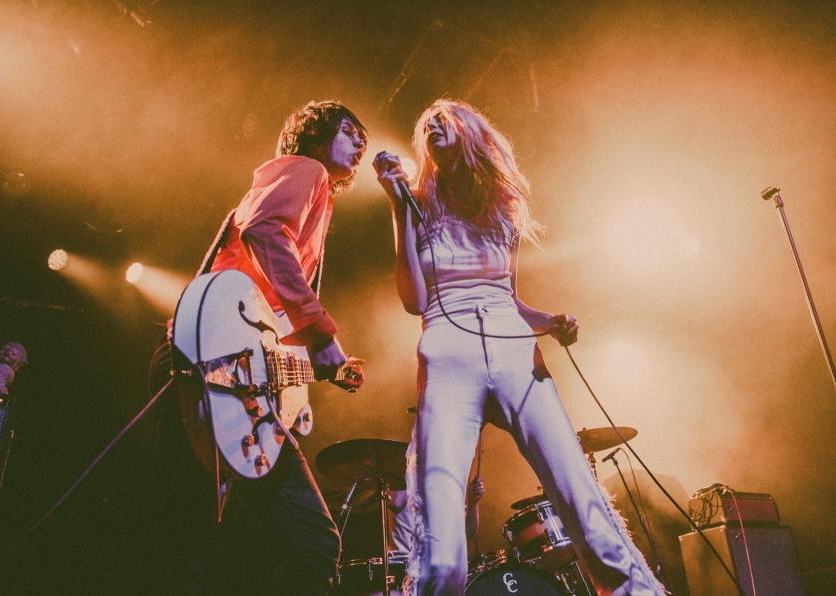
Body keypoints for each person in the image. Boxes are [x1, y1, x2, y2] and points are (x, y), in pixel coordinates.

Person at [373, 99, 664, 596]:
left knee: (579, 494)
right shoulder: (416, 199)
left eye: (445, 118)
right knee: (441, 540)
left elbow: (507, 295)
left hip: (512, 343)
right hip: (448, 347)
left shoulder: (502, 205)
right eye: (427, 123)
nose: (434, 124)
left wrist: (547, 321)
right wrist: (399, 204)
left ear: (470, 131)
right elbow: (413, 300)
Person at [149, 100, 366, 596]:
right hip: (206, 365)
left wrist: (317, 368)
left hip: (229, 376)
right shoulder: (307, 170)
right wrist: (320, 332)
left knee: (201, 547)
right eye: (350, 130)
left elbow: (269, 318)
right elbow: (264, 231)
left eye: (363, 139)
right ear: (315, 134)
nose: (358, 144)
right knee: (305, 542)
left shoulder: (317, 195)